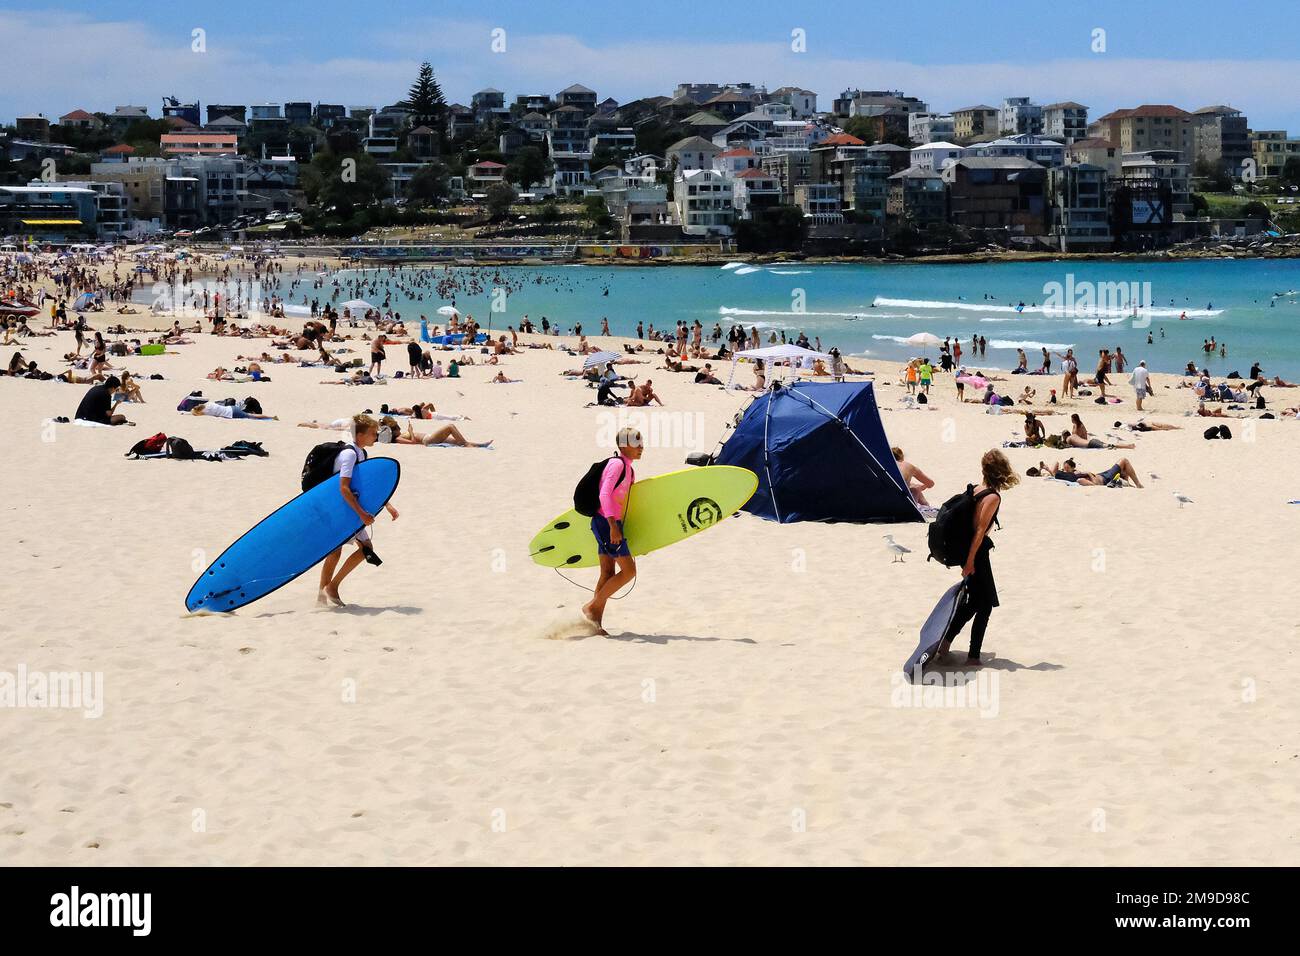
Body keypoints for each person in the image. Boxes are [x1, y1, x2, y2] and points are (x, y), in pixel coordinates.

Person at [938, 450, 1018, 666]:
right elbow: (979, 532)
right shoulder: (992, 497)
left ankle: (947, 644)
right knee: (985, 604)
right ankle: (971, 656)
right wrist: (972, 560)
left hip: (967, 551)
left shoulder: (976, 489)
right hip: (976, 553)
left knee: (976, 602)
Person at [318, 414, 399, 607]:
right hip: (342, 510)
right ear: (360, 435)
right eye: (373, 433)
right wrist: (362, 513)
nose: (376, 436)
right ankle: (331, 588)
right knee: (365, 549)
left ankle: (322, 595)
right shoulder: (350, 455)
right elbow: (344, 487)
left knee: (335, 552)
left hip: (346, 508)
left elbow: (363, 486)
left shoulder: (361, 453)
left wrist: (387, 504)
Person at [582, 427, 643, 636]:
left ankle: (594, 624)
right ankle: (592, 606)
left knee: (608, 573)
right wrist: (612, 526)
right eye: (637, 443)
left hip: (609, 523)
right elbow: (605, 494)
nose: (641, 447)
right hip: (606, 523)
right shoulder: (617, 465)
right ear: (624, 445)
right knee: (629, 572)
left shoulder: (629, 469)